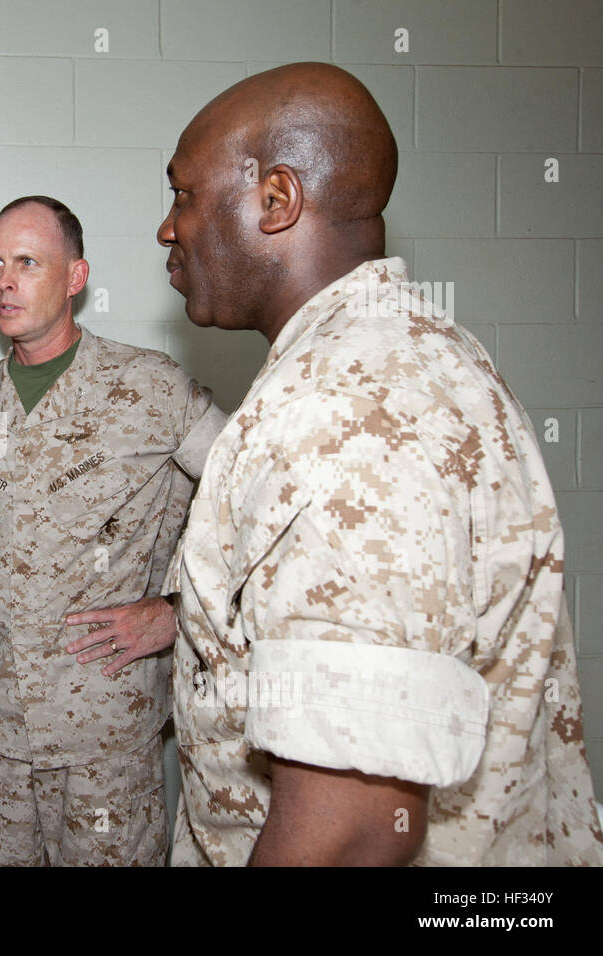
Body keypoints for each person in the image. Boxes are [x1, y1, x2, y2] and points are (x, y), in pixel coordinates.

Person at [160, 61, 603, 865]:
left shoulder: (349, 410)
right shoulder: (389, 356)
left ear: (277, 198)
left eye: (183, 194)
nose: (168, 228)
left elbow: (353, 830)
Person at [0, 195, 226, 866]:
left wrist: (178, 613)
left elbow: (255, 505)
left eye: (27, 262)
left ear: (76, 278)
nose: (5, 280)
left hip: (104, 725)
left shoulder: (151, 388)